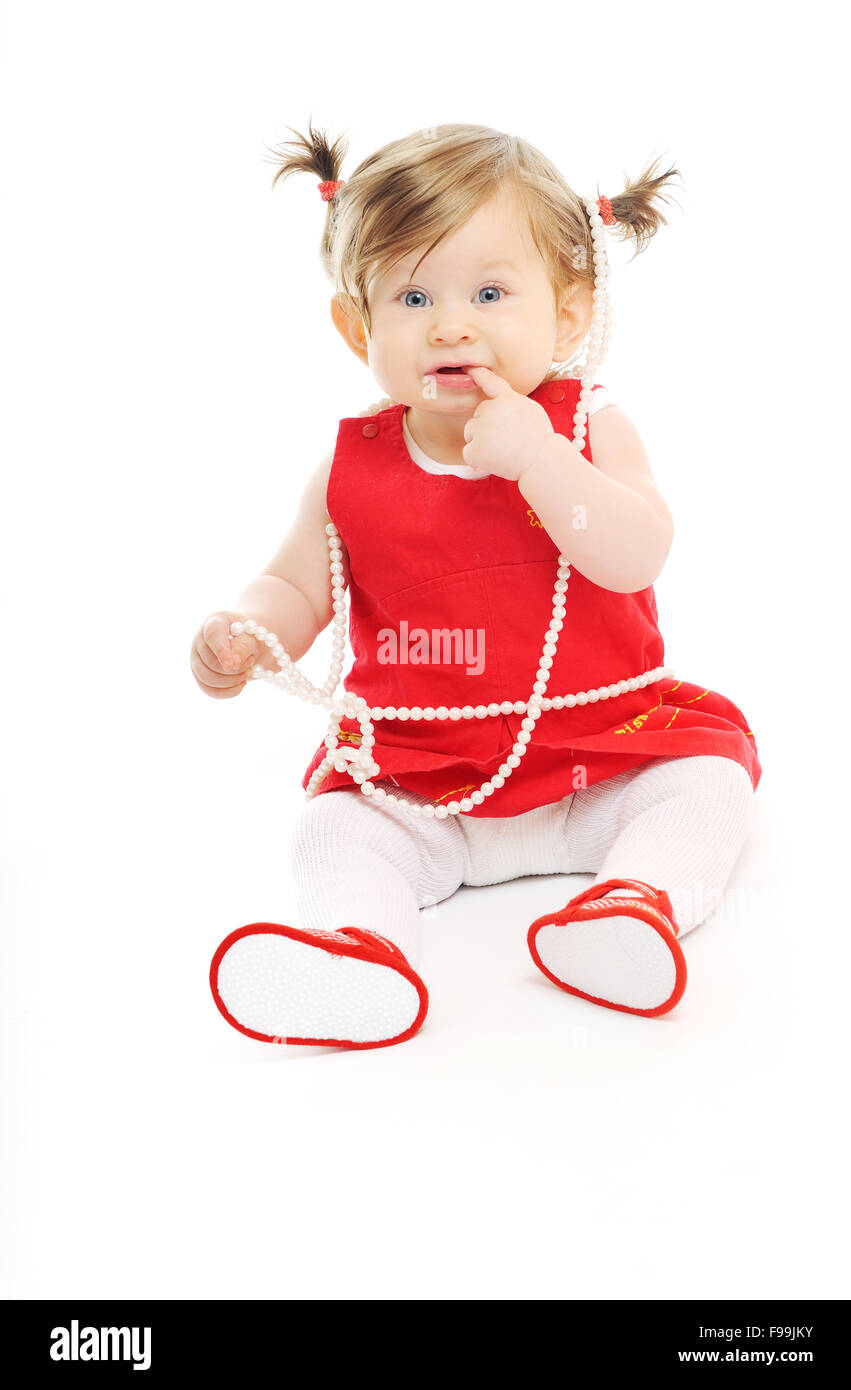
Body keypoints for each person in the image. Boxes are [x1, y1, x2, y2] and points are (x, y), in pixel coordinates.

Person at [190, 121, 761, 1050]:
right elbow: (295, 587)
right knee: (334, 828)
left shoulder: (586, 428)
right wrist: (246, 630)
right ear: (356, 326)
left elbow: (635, 554)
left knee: (705, 781)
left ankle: (633, 905)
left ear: (567, 316)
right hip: (425, 786)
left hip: (596, 759)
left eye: (490, 292)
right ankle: (356, 945)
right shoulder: (352, 470)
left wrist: (540, 461)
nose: (452, 324)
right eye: (413, 296)